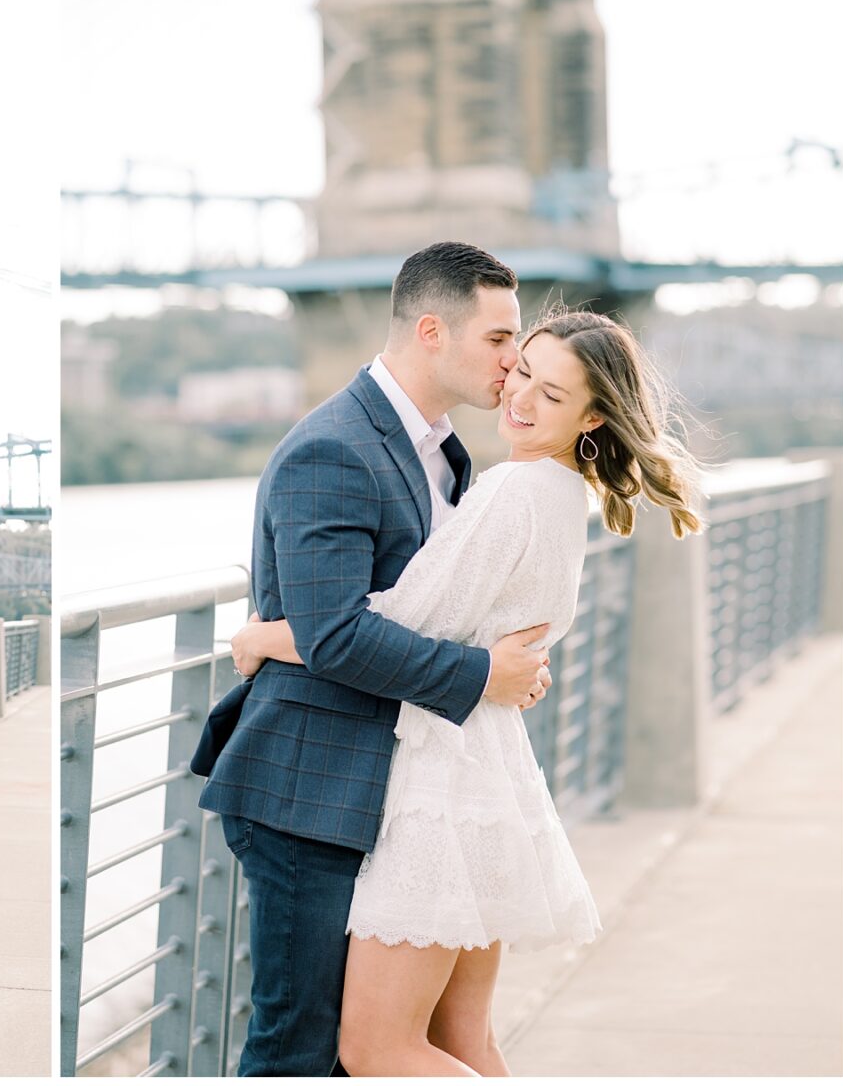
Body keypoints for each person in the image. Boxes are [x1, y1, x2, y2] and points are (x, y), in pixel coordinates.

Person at [228, 307, 702, 1076]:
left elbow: (391, 623)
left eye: (551, 395)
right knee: (463, 1042)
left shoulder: (514, 489)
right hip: (488, 772)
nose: (520, 397)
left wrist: (263, 638)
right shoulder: (560, 492)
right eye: (522, 371)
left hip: (440, 784)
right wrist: (489, 668)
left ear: (591, 419)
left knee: (376, 1048)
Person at [193, 242, 562, 1076]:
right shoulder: (333, 449)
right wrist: (482, 676)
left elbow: (422, 608)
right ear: (432, 331)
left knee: (382, 1049)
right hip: (310, 788)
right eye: (499, 339)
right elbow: (334, 634)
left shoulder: (444, 451)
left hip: (394, 786)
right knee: (299, 1049)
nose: (514, 360)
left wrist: (506, 663)